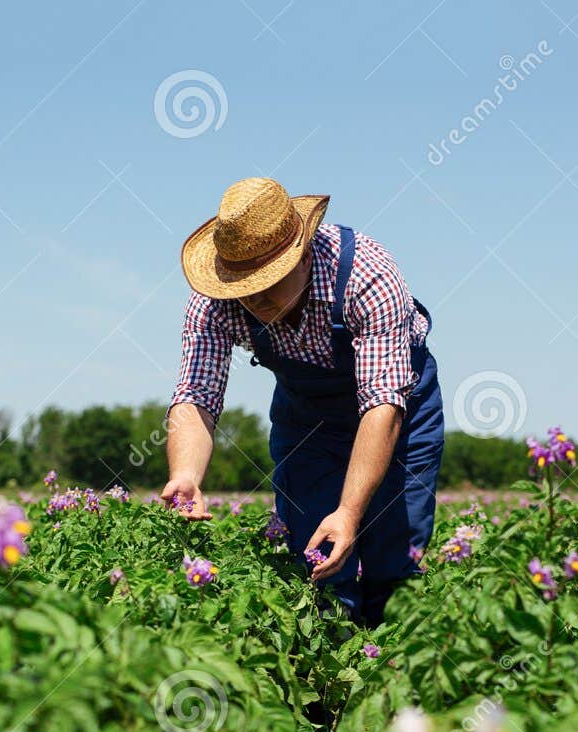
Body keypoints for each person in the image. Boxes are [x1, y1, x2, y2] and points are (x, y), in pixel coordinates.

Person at [163, 177, 445, 626]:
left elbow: (382, 406)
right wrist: (185, 475)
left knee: (395, 557)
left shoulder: (366, 275)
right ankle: (328, 681)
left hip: (396, 415)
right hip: (308, 420)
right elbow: (196, 395)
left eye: (267, 282)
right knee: (317, 560)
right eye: (242, 285)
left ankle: (391, 673)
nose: (253, 299)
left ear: (303, 253)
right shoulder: (215, 302)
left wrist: (351, 511)